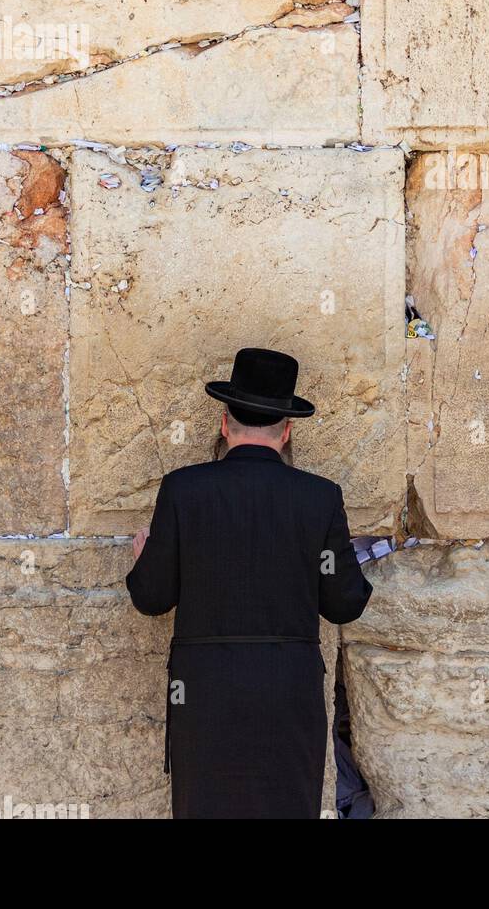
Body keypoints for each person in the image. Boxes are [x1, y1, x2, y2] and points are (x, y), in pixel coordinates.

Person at [126, 347, 373, 818]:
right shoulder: (319, 498)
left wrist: (146, 562)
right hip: (287, 691)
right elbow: (344, 603)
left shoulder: (183, 488)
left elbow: (152, 597)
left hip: (204, 691)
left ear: (224, 423)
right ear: (286, 431)